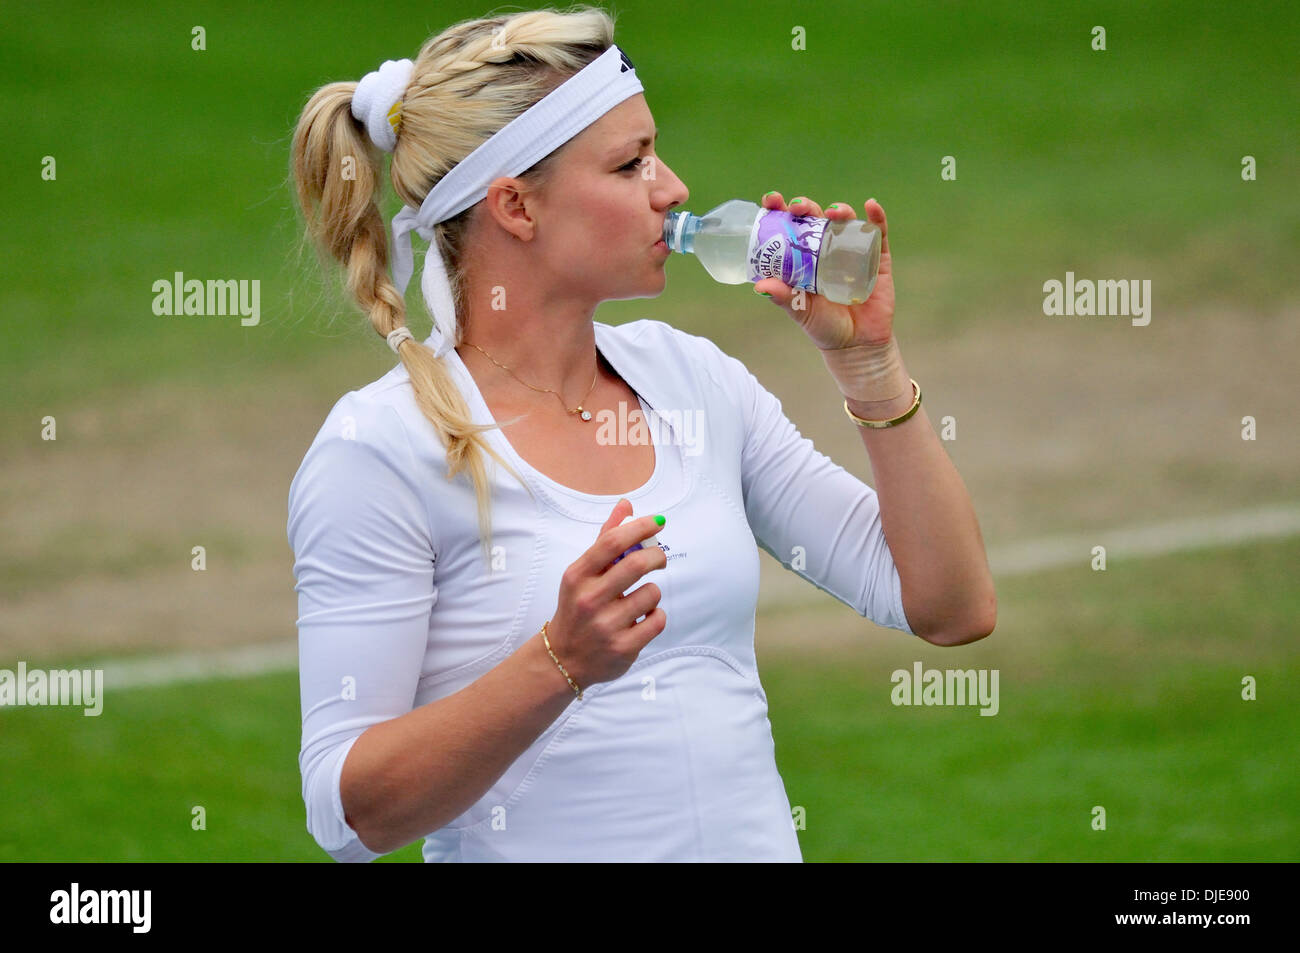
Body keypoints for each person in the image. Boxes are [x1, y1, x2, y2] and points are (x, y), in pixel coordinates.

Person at [287, 5, 996, 863]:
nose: (673, 189)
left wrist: (871, 366)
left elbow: (950, 607)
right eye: (631, 164)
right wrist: (559, 661)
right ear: (516, 205)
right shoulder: (380, 450)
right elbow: (346, 813)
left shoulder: (692, 380)